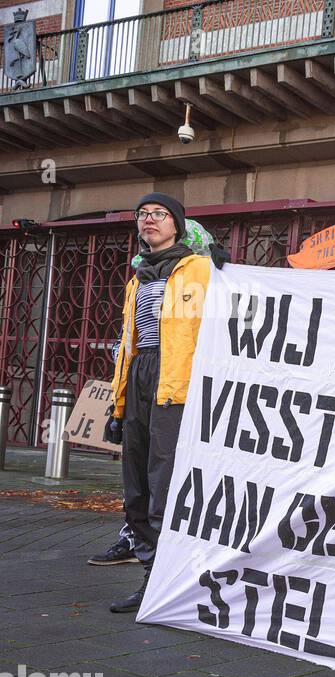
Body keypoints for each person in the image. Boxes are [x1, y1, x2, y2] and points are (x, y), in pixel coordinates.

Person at [102, 193, 211, 612]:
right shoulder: (138, 278)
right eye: (143, 214)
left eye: (159, 214)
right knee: (137, 487)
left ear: (178, 224)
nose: (149, 220)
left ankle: (172, 578)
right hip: (140, 378)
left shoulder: (201, 269)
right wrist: (118, 405)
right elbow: (129, 344)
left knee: (165, 484)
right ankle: (151, 573)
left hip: (177, 383)